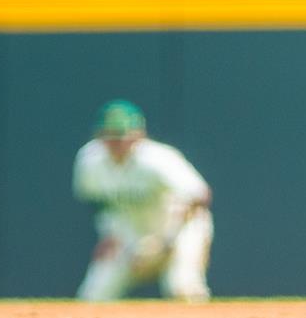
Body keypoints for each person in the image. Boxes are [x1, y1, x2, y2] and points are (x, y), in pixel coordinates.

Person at [73, 100, 214, 302]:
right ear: (100, 135)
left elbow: (200, 194)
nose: (116, 143)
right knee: (94, 294)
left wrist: (169, 238)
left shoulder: (156, 159)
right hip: (131, 237)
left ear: (138, 134)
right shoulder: (90, 160)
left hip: (180, 231)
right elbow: (98, 203)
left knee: (183, 287)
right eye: (110, 136)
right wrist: (109, 234)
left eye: (121, 136)